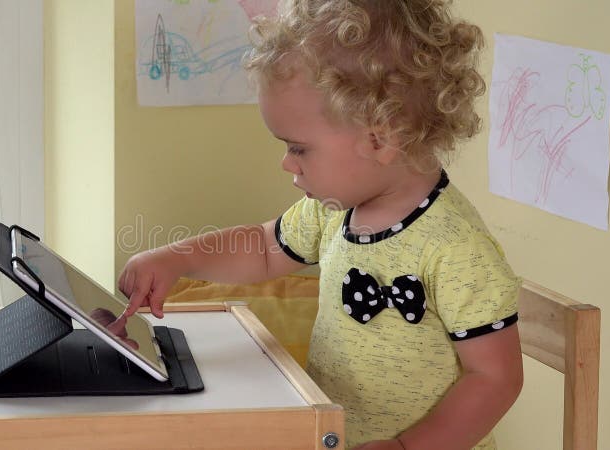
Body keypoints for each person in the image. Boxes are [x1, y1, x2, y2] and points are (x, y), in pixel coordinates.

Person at [119, 1, 523, 448]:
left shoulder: (456, 249)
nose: (286, 163)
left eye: (299, 148)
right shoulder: (334, 209)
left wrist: (409, 447)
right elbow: (262, 247)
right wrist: (176, 259)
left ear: (381, 137)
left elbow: (495, 378)